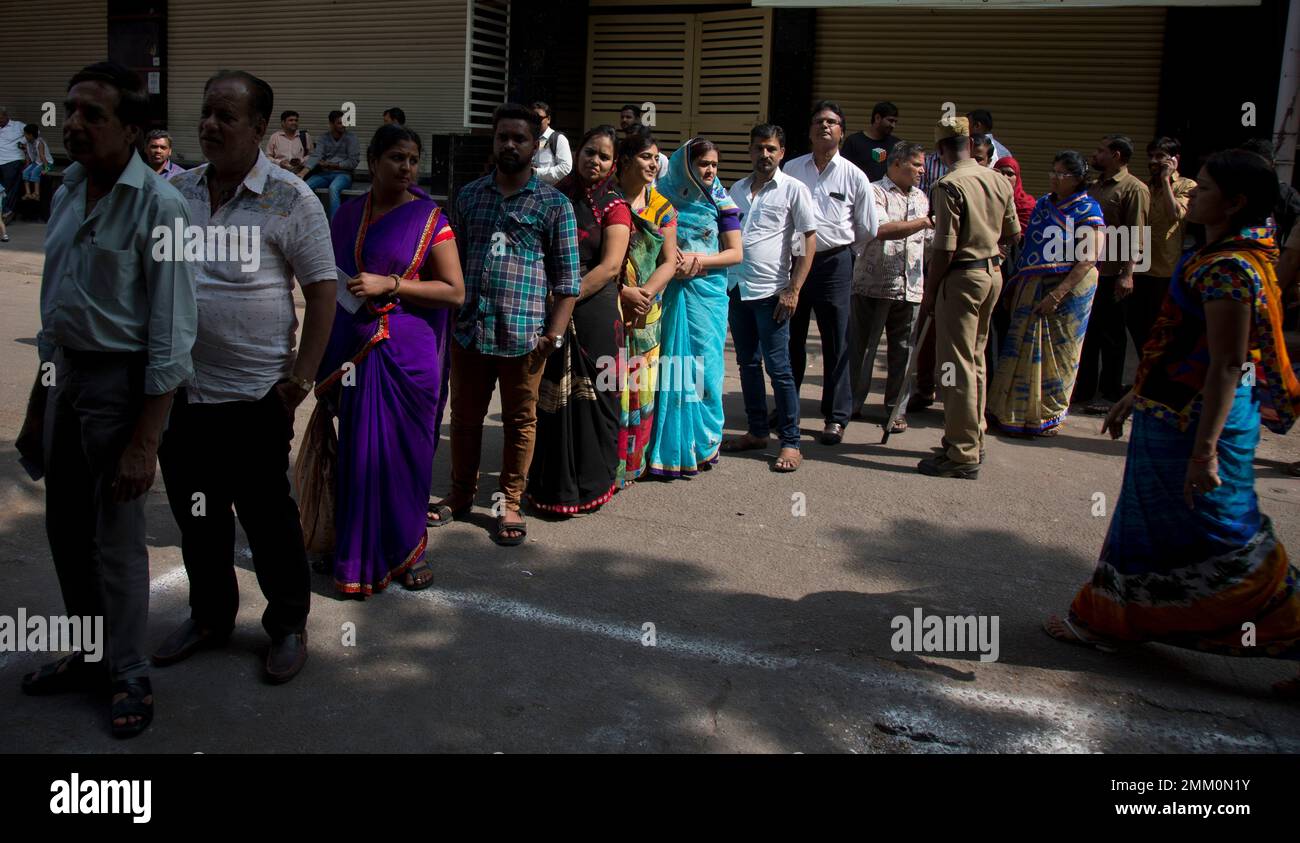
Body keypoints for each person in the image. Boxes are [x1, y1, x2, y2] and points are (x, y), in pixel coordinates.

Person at [1046, 150, 1300, 699]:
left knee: (1225, 531)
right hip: (1171, 417)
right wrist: (1136, 395)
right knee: (1148, 525)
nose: (1189, 197)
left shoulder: (1231, 268)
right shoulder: (1215, 252)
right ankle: (1112, 619)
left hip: (1201, 424)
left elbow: (1228, 362)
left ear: (1233, 203)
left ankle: (1286, 627)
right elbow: (1183, 344)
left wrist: (1204, 451)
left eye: (1201, 189)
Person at [19, 62, 197, 739]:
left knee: (116, 541)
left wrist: (145, 440)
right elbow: (57, 314)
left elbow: (174, 334)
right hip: (65, 378)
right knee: (64, 530)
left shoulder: (162, 206)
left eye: (94, 114)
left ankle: (128, 672)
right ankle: (92, 658)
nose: (75, 125)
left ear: (131, 128)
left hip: (123, 389)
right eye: (71, 110)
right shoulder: (66, 189)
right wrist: (40, 405)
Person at [153, 70, 336, 685]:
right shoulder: (175, 191)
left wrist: (300, 381)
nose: (210, 125)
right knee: (196, 513)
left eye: (226, 116)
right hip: (182, 392)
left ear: (259, 129)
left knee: (266, 517)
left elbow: (323, 291)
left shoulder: (291, 197)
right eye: (206, 113)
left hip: (258, 395)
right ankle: (210, 618)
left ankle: (286, 625)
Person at [315, 124, 463, 594]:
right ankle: (356, 554)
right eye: (397, 158)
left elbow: (454, 291)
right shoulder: (347, 215)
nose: (406, 168)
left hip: (408, 354)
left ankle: (406, 549)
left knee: (404, 456)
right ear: (373, 161)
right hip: (358, 352)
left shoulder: (429, 218)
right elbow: (331, 285)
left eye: (413, 160)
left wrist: (392, 284)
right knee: (361, 456)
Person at [428, 104, 579, 544]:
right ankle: (459, 495)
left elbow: (568, 281)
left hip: (525, 336)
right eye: (502, 138)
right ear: (493, 143)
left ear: (536, 146)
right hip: (469, 331)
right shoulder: (469, 195)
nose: (510, 145)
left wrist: (551, 335)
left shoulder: (554, 204)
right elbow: (449, 262)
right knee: (465, 419)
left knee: (520, 421)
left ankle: (509, 502)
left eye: (519, 139)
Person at [526, 126, 631, 512]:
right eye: (590, 152)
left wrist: (565, 299)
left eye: (604, 156)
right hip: (551, 302)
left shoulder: (615, 205)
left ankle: (592, 485)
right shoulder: (554, 196)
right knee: (549, 397)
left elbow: (610, 267)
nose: (595, 161)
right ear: (578, 152)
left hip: (593, 309)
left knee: (597, 396)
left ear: (614, 164)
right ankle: (548, 485)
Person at [917, 115, 1019, 479]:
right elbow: (1012, 231)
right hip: (991, 273)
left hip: (961, 277)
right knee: (975, 360)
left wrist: (930, 292)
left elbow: (944, 249)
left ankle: (961, 453)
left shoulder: (948, 185)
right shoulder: (997, 179)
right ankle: (972, 439)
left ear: (943, 149)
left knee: (954, 367)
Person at [988, 151, 1104, 436]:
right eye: (1052, 171)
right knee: (1020, 348)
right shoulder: (1042, 205)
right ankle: (1010, 412)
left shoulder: (1089, 211)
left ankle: (1046, 416)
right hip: (1032, 286)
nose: (1053, 177)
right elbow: (1028, 249)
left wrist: (1058, 295)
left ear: (1077, 179)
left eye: (1061, 174)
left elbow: (1088, 258)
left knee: (1058, 354)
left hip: (1069, 292)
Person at [721, 124, 816, 472]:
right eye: (759, 148)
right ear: (750, 151)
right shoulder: (737, 189)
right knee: (747, 364)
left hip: (772, 293)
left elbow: (809, 241)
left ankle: (790, 442)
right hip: (738, 291)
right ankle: (757, 432)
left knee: (780, 370)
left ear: (782, 153)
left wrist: (794, 288)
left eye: (772, 149)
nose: (765, 155)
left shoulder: (794, 190)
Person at [646, 137, 743, 476]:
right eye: (704, 164)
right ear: (685, 165)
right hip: (670, 291)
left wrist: (696, 260)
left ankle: (703, 444)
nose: (710, 170)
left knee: (706, 368)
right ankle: (668, 448)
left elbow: (735, 253)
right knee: (668, 366)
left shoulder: (722, 203)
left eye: (715, 164)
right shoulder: (661, 199)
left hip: (707, 294)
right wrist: (672, 263)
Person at [784, 101, 879, 445]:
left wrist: (846, 254)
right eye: (819, 122)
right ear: (810, 131)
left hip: (834, 263)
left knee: (837, 341)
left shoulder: (854, 176)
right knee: (791, 337)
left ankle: (836, 417)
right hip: (794, 264)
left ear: (841, 131)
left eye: (832, 122)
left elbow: (868, 227)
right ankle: (786, 409)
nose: (825, 126)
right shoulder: (792, 169)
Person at [848, 141, 932, 433]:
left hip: (911, 287)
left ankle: (896, 409)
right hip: (873, 285)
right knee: (863, 348)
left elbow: (928, 242)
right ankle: (851, 404)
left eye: (922, 165)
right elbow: (879, 230)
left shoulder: (922, 198)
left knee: (903, 352)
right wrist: (925, 223)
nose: (922, 170)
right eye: (917, 164)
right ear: (896, 164)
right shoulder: (874, 192)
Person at [614, 128, 678, 487]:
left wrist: (646, 293)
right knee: (611, 388)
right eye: (645, 156)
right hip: (610, 305)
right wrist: (623, 292)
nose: (654, 163)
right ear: (625, 161)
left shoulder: (662, 208)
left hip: (647, 313)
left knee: (641, 390)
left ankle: (630, 464)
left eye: (656, 157)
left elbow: (669, 261)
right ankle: (604, 463)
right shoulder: (607, 202)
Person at [1074, 134, 1150, 415]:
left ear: (1116, 155)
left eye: (1101, 151)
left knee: (1112, 336)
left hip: (1113, 273)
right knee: (1089, 334)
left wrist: (1127, 274)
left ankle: (1109, 393)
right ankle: (1083, 389)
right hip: (1089, 272)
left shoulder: (1134, 189)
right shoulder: (1095, 187)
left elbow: (1138, 235)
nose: (1095, 155)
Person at [1131, 137, 1196, 355]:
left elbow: (1175, 214)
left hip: (1164, 270)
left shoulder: (1186, 186)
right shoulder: (1144, 186)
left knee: (1157, 325)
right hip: (1139, 265)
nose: (1153, 161)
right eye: (1151, 156)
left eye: (1160, 156)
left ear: (1174, 160)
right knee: (1137, 325)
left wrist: (1167, 180)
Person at [300, 109, 359, 219]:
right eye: (339, 123)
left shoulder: (351, 138)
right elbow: (316, 156)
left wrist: (331, 165)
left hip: (343, 174)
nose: (343, 126)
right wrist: (303, 173)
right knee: (305, 187)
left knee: (334, 188)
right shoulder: (324, 138)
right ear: (331, 124)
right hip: (325, 174)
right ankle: (310, 222)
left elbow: (352, 162)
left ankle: (335, 228)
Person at [840, 101, 900, 182]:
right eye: (890, 121)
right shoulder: (854, 141)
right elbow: (843, 171)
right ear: (877, 118)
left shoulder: (897, 145)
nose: (893, 125)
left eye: (895, 122)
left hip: (887, 193)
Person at [531, 101, 572, 186]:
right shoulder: (528, 140)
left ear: (548, 119)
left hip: (551, 194)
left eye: (538, 119)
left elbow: (565, 167)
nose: (535, 122)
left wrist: (536, 172)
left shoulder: (558, 139)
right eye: (532, 118)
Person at [0, 106, 25, 222]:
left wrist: (22, 144)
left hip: (12, 161)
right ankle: (5, 210)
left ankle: (6, 213)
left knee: (8, 189)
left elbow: (35, 135)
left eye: (0, 118)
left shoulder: (18, 126)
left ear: (5, 116)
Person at [20, 124, 52, 199]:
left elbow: (42, 156)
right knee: (25, 172)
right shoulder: (28, 142)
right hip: (36, 162)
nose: (24, 136)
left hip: (46, 162)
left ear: (31, 135)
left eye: (25, 134)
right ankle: (28, 193)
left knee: (35, 172)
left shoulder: (39, 143)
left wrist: (46, 169)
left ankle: (37, 193)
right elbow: (28, 154)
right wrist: (27, 165)